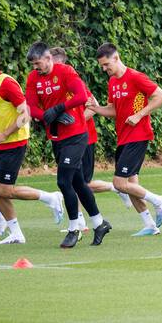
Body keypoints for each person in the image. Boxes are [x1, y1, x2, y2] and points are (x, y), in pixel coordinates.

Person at [0, 45, 65, 244]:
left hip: (14, 142)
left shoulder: (7, 84)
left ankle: (50, 198)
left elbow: (26, 114)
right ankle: (16, 233)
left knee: (4, 189)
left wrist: (5, 133)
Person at [25, 42, 111, 248]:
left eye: (38, 63)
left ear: (48, 58)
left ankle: (74, 229)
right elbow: (30, 107)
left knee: (64, 182)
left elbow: (82, 97)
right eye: (33, 65)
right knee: (78, 182)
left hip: (76, 135)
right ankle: (100, 223)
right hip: (56, 137)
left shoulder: (66, 71)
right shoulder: (33, 78)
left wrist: (59, 109)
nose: (36, 68)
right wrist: (50, 115)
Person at [88, 44, 162, 236]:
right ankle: (150, 225)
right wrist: (95, 109)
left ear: (116, 58)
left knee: (119, 183)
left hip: (138, 135)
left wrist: (139, 115)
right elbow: (114, 110)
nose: (104, 69)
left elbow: (161, 97)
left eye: (106, 64)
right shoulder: (112, 82)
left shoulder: (135, 77)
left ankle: (159, 201)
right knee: (131, 184)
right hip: (123, 138)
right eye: (101, 66)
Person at [48, 47, 116, 225]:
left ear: (61, 63)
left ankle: (117, 188)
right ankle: (82, 221)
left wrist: (75, 123)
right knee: (75, 181)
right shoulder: (51, 84)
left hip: (83, 139)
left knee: (81, 182)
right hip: (65, 139)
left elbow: (93, 106)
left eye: (53, 63)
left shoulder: (72, 79)